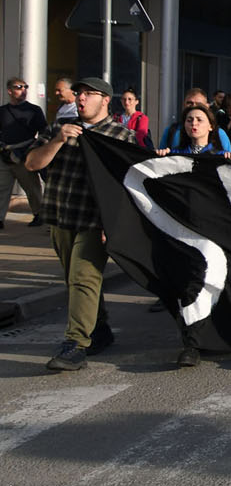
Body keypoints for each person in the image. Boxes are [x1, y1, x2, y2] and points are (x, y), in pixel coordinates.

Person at [24, 77, 137, 370]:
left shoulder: (120, 135)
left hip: (94, 220)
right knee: (73, 279)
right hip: (61, 215)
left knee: (83, 277)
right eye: (79, 93)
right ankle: (99, 329)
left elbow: (125, 186)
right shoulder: (59, 128)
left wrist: (112, 225)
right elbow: (32, 164)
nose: (81, 98)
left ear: (105, 100)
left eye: (89, 94)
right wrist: (59, 140)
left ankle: (76, 344)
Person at [1, 76, 48, 229]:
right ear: (10, 91)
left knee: (32, 188)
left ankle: (39, 215)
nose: (23, 90)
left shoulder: (34, 111)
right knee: (2, 189)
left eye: (25, 87)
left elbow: (44, 132)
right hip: (4, 156)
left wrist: (32, 149)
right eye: (19, 87)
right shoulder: (3, 111)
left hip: (25, 156)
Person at [160, 89, 231, 151]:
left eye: (199, 104)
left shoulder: (219, 133)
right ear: (183, 105)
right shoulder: (171, 130)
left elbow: (226, 161)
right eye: (189, 103)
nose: (194, 107)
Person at [154, 104, 231, 157]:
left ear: (211, 126)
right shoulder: (174, 154)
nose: (194, 123)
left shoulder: (221, 156)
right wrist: (160, 156)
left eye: (199, 120)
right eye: (189, 120)